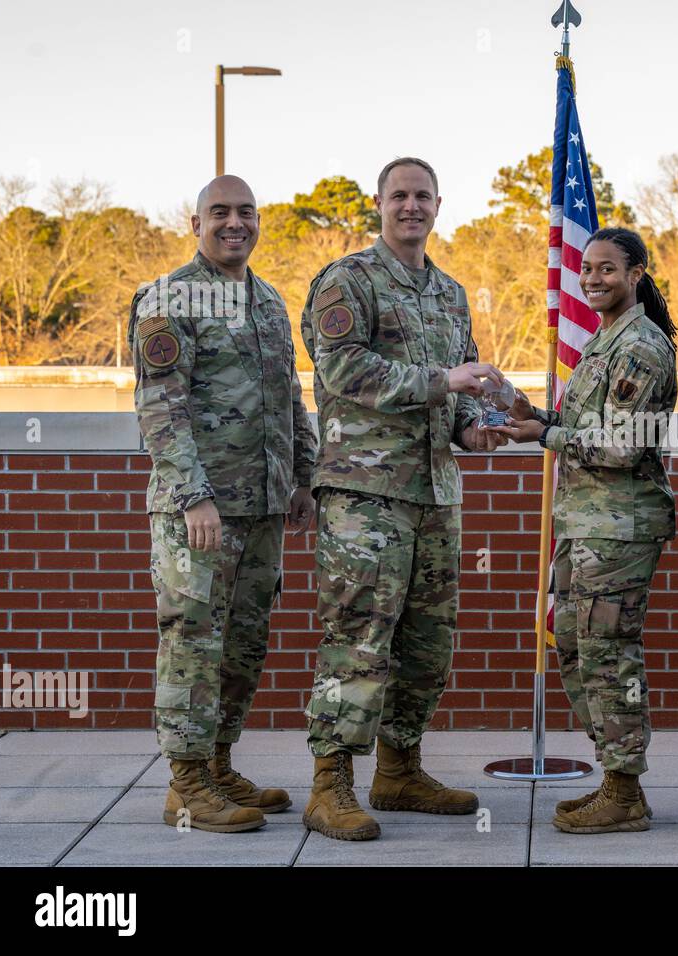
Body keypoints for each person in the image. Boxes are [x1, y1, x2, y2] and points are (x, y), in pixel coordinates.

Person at [300, 157, 508, 841]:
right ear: (379, 205)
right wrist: (444, 379)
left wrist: (472, 430)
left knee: (427, 644)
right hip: (366, 495)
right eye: (399, 196)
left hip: (433, 494)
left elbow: (454, 391)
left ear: (439, 205)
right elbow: (342, 368)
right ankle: (330, 784)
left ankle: (399, 770)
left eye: (422, 196)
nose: (411, 207)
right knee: (358, 639)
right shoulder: (348, 279)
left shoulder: (450, 293)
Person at [131, 174, 317, 833]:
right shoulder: (168, 298)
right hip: (201, 516)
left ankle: (217, 764)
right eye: (220, 212)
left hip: (263, 508)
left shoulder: (266, 300)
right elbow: (160, 409)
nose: (234, 222)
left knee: (243, 645)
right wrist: (194, 498)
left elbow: (291, 398)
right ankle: (185, 786)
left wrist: (302, 478)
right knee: (192, 644)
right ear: (196, 222)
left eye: (245, 212)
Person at [495, 227, 677, 834]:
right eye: (587, 269)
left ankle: (625, 791)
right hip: (584, 524)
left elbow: (626, 447)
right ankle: (614, 776)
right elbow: (587, 428)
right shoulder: (603, 343)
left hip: (620, 527)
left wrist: (546, 435)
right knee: (574, 646)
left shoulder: (642, 347)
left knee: (609, 655)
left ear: (637, 273)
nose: (593, 279)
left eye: (607, 269)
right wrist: (537, 418)